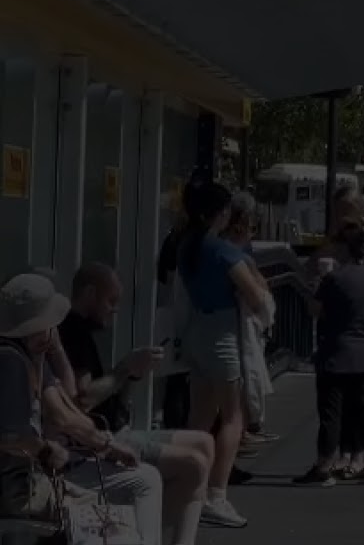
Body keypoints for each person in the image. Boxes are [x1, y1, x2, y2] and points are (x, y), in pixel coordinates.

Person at [0, 273, 165, 545]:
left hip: (34, 480)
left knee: (114, 512)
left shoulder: (28, 356)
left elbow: (66, 398)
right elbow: (10, 436)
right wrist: (45, 449)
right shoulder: (10, 364)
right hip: (19, 491)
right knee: (113, 523)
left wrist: (51, 351)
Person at [59, 263, 214, 545]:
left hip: (115, 429)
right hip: (105, 438)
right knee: (194, 464)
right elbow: (83, 400)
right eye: (111, 301)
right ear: (90, 293)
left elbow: (108, 399)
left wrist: (132, 374)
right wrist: (123, 369)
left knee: (205, 443)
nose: (114, 310)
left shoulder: (83, 333)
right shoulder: (72, 332)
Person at [176, 180, 271, 528]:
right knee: (233, 418)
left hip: (197, 332)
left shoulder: (188, 247)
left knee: (200, 416)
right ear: (215, 214)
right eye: (225, 210)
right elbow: (257, 298)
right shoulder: (224, 252)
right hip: (223, 336)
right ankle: (216, 494)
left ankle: (188, 486)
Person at [293, 221, 364, 487]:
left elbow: (315, 309)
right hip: (362, 351)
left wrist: (316, 285)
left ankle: (324, 466)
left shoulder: (334, 278)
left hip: (335, 352)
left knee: (331, 412)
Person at [308, 185, 364, 480]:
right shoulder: (332, 246)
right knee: (352, 404)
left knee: (346, 405)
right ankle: (351, 456)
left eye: (345, 211)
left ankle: (347, 458)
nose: (340, 217)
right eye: (336, 211)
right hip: (343, 336)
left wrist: (337, 286)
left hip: (348, 333)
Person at [222, 193, 277, 447]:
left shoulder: (225, 253)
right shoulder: (236, 258)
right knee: (238, 386)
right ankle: (234, 446)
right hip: (232, 333)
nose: (251, 234)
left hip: (220, 332)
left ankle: (240, 433)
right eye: (251, 227)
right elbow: (259, 299)